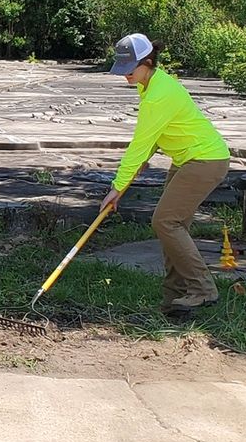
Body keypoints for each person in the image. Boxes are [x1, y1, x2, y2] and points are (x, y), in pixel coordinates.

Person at [99, 32, 231, 317]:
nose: (126, 76)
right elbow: (153, 139)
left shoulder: (159, 95)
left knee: (165, 221)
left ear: (147, 61)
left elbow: (140, 143)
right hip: (188, 159)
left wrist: (117, 187)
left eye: (129, 70)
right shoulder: (150, 84)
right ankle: (174, 300)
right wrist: (143, 159)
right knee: (173, 227)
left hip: (205, 160)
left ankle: (202, 289)